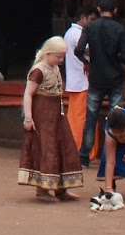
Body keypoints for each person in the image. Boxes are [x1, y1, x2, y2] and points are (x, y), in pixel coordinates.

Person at [17, 37, 84, 202]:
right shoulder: (38, 70)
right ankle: (42, 191)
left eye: (62, 57)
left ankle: (61, 189)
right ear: (47, 54)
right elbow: (28, 94)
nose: (61, 60)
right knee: (45, 149)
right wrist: (28, 118)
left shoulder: (54, 68)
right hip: (42, 116)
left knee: (62, 146)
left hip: (57, 115)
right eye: (58, 57)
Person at [76, 0, 125, 167]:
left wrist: (88, 62)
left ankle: (84, 157)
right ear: (115, 10)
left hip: (96, 79)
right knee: (117, 118)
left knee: (91, 118)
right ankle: (115, 154)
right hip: (115, 78)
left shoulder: (90, 28)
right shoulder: (119, 29)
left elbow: (78, 50)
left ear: (99, 9)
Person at [63, 3, 96, 148]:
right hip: (83, 81)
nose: (93, 23)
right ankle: (81, 148)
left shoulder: (70, 32)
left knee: (75, 117)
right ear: (83, 18)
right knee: (83, 117)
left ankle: (74, 147)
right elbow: (88, 50)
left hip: (76, 80)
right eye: (91, 19)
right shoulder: (78, 33)